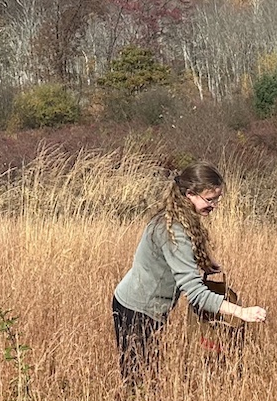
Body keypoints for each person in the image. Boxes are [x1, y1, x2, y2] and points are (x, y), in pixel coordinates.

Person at [112, 162, 266, 381]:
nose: (215, 205)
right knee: (139, 379)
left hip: (149, 307)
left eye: (217, 199)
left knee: (147, 371)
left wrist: (205, 261)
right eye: (210, 199)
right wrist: (241, 312)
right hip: (136, 309)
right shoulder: (172, 229)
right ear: (190, 194)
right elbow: (195, 293)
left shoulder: (181, 216)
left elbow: (186, 251)